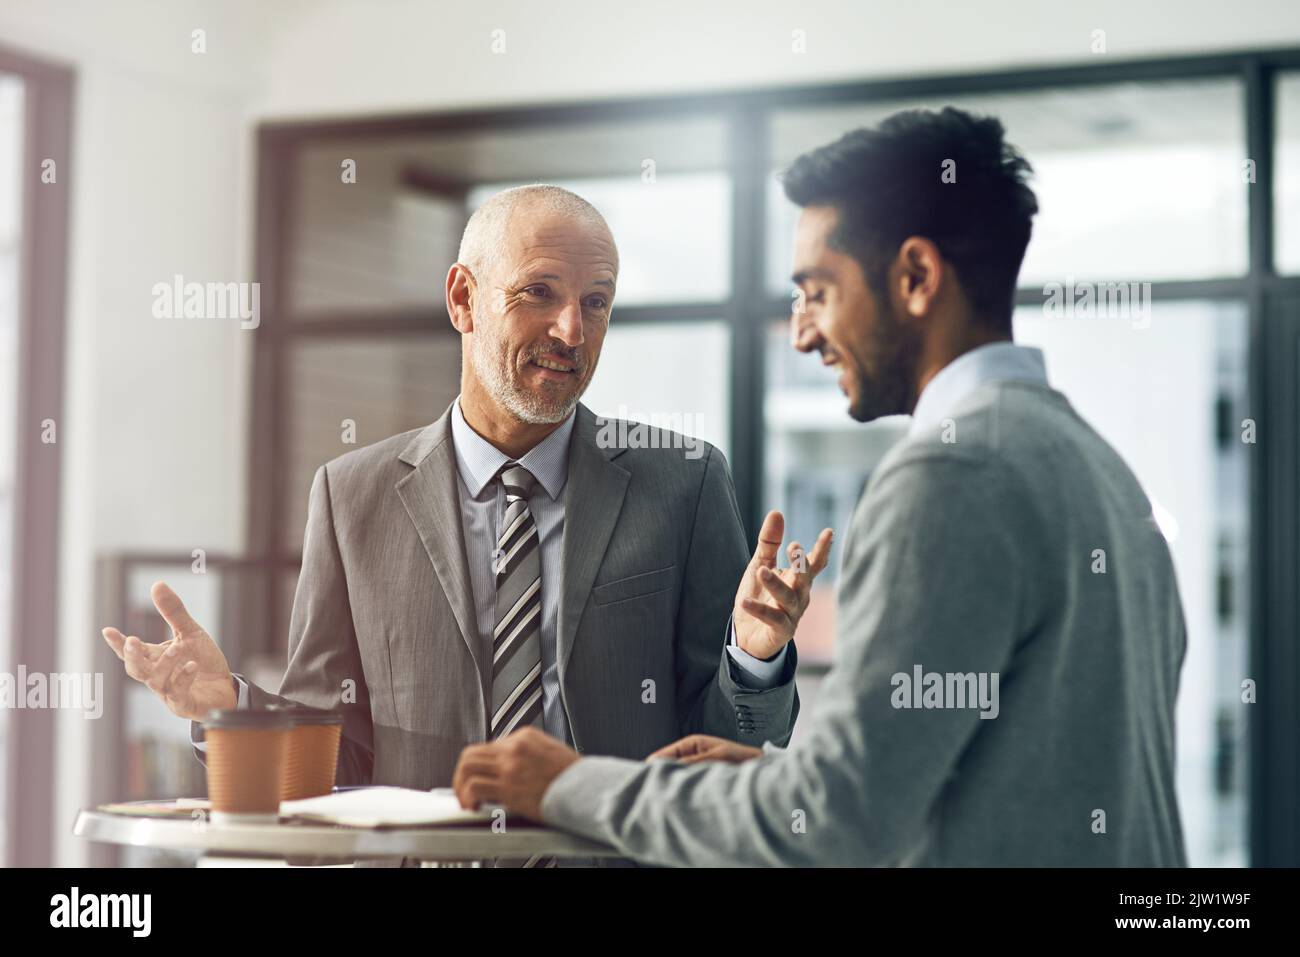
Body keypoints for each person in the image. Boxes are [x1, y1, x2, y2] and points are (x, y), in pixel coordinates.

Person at [451, 110, 1189, 867]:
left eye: (818, 291)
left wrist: (573, 786)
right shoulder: (1100, 470)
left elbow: (837, 824)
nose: (803, 333)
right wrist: (780, 779)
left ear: (915, 278)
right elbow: (979, 785)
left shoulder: (949, 476)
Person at [101, 186, 833, 856]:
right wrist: (228, 704)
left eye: (598, 300)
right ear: (463, 299)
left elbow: (734, 747)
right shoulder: (352, 497)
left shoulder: (684, 481)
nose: (573, 329)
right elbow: (335, 765)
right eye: (539, 292)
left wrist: (756, 655)